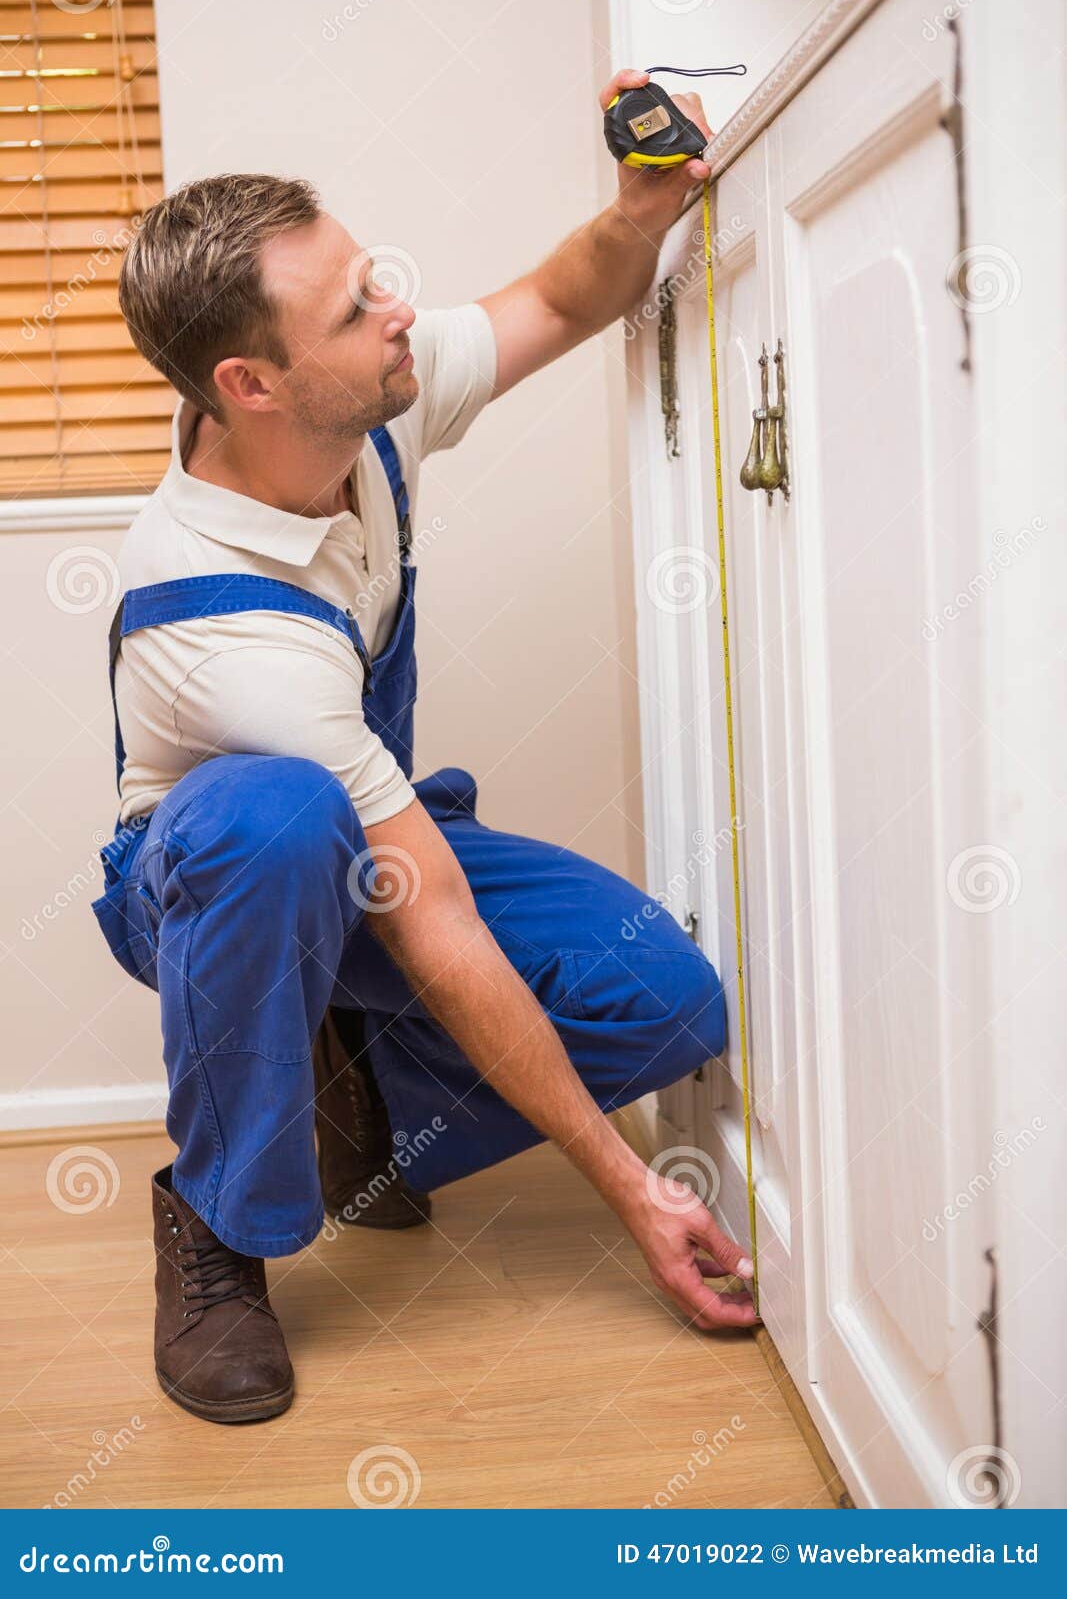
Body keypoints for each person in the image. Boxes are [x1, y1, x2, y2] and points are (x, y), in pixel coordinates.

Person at [92, 70, 756, 1426]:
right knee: (273, 820)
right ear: (251, 384)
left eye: (372, 276)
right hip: (213, 884)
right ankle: (218, 1229)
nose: (398, 306)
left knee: (667, 998)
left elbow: (563, 298)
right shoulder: (215, 619)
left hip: (373, 836)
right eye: (355, 305)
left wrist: (641, 210)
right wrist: (638, 1193)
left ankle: (366, 1106)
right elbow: (434, 917)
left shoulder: (367, 399)